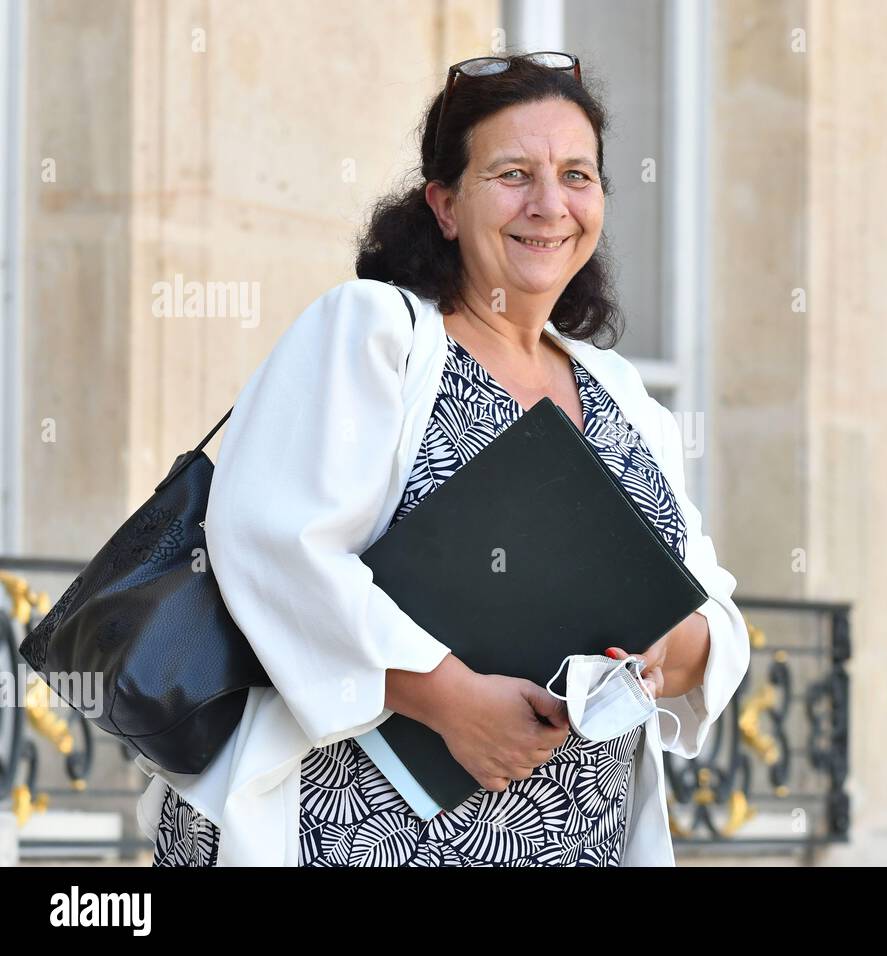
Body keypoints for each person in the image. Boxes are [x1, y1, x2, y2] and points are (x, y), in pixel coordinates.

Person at [138, 51, 749, 866]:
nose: (548, 204)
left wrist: (661, 652)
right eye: (512, 174)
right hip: (359, 836)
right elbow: (271, 546)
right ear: (445, 204)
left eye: (577, 175)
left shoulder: (624, 395)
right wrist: (455, 703)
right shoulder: (375, 334)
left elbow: (712, 609)